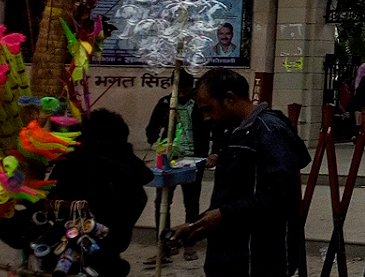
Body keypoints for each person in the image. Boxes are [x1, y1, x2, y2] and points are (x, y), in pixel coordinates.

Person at [171, 68, 310, 277]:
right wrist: (196, 225)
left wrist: (224, 214)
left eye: (208, 109)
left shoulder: (269, 130)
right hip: (231, 255)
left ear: (229, 99)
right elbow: (231, 195)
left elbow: (279, 192)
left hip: (258, 258)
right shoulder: (235, 131)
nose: (206, 117)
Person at [48, 109, 153, 277]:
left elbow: (51, 199)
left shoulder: (78, 158)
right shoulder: (123, 161)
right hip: (103, 248)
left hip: (80, 247)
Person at [145, 69, 212, 263]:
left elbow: (212, 127)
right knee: (162, 202)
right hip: (169, 159)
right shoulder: (166, 103)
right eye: (178, 90)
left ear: (192, 88)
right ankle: (164, 245)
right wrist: (157, 141)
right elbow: (151, 129)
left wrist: (214, 152)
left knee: (191, 202)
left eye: (185, 91)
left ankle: (189, 243)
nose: (181, 94)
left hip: (194, 159)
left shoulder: (199, 104)